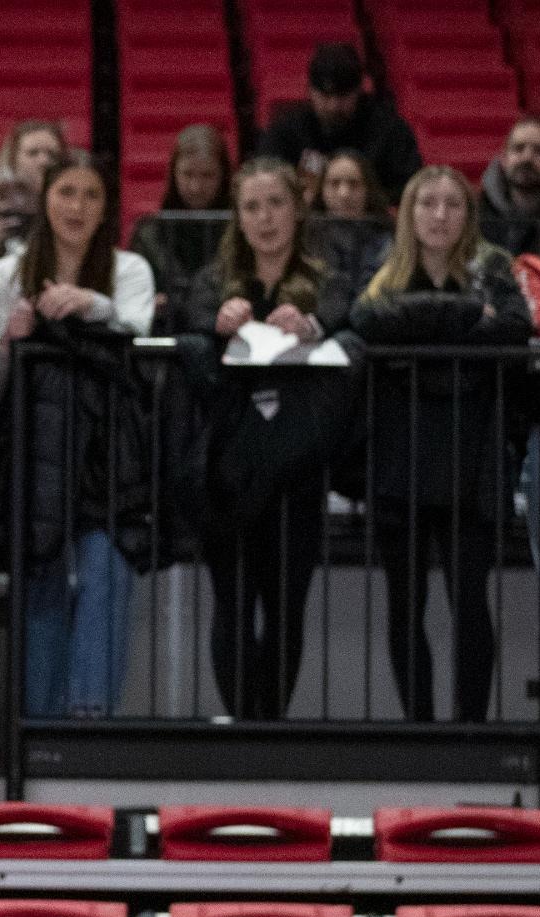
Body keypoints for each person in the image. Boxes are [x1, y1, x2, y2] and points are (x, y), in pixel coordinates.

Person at [0, 152, 156, 718]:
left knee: (107, 581)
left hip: (110, 456)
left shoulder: (129, 271)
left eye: (90, 196)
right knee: (43, 588)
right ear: (45, 200)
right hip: (33, 452)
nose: (76, 207)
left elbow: (138, 330)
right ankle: (39, 730)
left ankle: (89, 730)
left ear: (107, 209)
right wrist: (9, 340)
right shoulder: (6, 275)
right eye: (65, 194)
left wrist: (91, 304)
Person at [349, 166, 529, 722]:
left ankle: (470, 726)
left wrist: (420, 330)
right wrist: (467, 318)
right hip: (398, 454)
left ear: (468, 216)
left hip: (470, 454)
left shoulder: (492, 267)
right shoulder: (386, 267)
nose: (440, 215)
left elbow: (515, 328)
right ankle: (418, 725)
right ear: (409, 213)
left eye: (453, 205)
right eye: (428, 203)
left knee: (470, 602)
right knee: (405, 606)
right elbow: (363, 322)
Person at [182, 158, 357, 720]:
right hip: (230, 466)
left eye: (276, 204)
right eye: (252, 207)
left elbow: (344, 317)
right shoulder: (216, 279)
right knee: (231, 601)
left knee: (286, 608)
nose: (265, 218)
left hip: (294, 466)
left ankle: (271, 725)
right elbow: (189, 322)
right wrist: (216, 321)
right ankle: (239, 727)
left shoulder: (326, 278)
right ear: (238, 214)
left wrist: (312, 327)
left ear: (298, 208)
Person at [258, 42, 421, 202]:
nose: (333, 106)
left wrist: (363, 197)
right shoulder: (287, 131)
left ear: (359, 91)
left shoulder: (389, 131)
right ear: (309, 90)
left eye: (343, 96)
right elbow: (264, 181)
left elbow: (411, 188)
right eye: (325, 96)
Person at [129, 124, 233, 328]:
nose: (196, 187)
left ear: (223, 175)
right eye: (187, 175)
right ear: (173, 174)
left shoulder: (242, 230)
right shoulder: (147, 233)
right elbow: (134, 296)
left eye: (207, 176)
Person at [0, 120, 67, 268]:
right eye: (33, 153)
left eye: (52, 155)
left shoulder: (70, 214)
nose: (44, 161)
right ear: (12, 160)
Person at [309, 149, 391, 291]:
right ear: (321, 191)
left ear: (368, 190)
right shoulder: (305, 240)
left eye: (354, 184)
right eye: (334, 184)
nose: (344, 194)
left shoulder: (388, 244)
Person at [479, 115, 540, 257]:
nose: (527, 157)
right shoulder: (474, 216)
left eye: (539, 151)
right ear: (503, 159)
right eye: (518, 149)